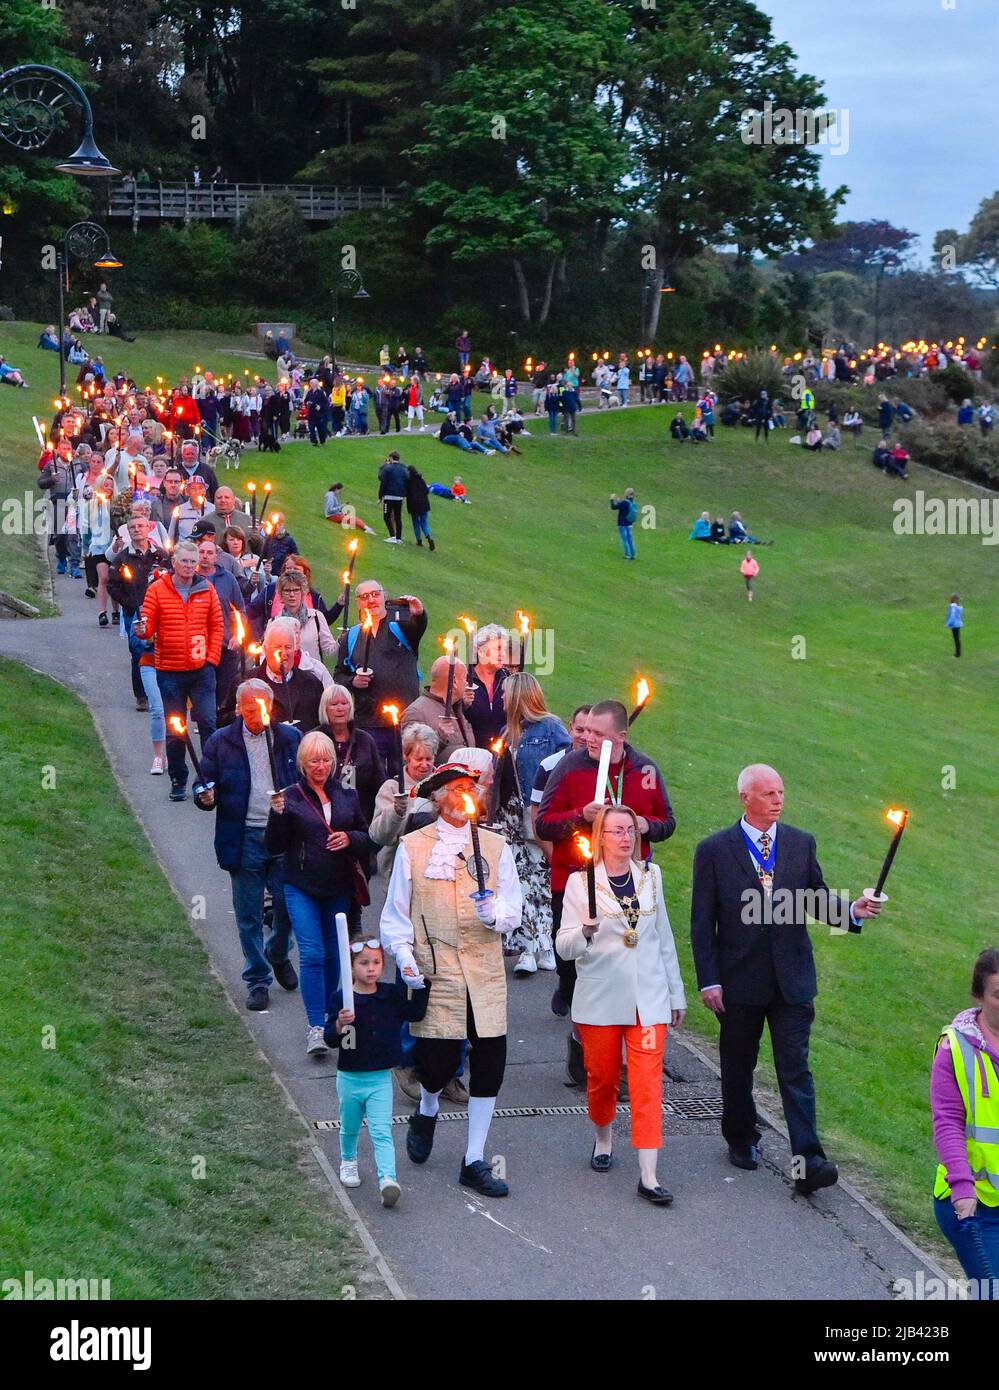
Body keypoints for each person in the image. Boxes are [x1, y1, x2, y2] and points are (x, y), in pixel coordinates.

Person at [690, 764, 882, 1192]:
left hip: (791, 981)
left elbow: (815, 898)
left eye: (780, 792)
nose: (778, 800)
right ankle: (741, 1136)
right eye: (769, 793)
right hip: (738, 982)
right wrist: (709, 980)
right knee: (738, 1065)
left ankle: (808, 1160)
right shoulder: (715, 850)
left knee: (795, 1069)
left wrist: (852, 911)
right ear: (746, 798)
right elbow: (702, 923)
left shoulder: (799, 843)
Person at [380, 763, 523, 1197]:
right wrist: (403, 957)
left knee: (490, 1064)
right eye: (457, 789)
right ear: (439, 799)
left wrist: (493, 915)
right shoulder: (413, 846)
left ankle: (474, 1159)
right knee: (438, 1065)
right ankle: (426, 1109)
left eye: (470, 789)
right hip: (436, 970)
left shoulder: (497, 846)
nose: (465, 796)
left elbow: (513, 910)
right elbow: (395, 915)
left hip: (484, 973)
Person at [537, 700, 676, 1077]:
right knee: (574, 966)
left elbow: (668, 821)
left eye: (599, 734)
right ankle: (580, 1032)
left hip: (631, 885)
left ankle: (617, 1060)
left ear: (622, 737)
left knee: (622, 967)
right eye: (587, 732)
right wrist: (578, 817)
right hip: (576, 882)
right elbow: (543, 825)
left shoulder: (644, 770)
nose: (588, 740)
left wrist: (646, 826)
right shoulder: (571, 765)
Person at [557, 804, 686, 1203]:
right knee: (603, 1079)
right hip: (600, 999)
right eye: (616, 831)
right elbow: (563, 948)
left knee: (647, 1086)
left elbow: (662, 936)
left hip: (648, 1000)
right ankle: (602, 1135)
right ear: (600, 837)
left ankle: (648, 1175)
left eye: (630, 830)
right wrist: (585, 932)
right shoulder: (581, 884)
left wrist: (675, 992)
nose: (626, 838)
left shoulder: (652, 876)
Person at [195, 681, 301, 1010]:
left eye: (262, 709)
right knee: (249, 914)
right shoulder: (221, 742)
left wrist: (293, 802)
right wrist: (205, 795)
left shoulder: (289, 738)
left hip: (282, 834)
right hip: (243, 836)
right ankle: (257, 978)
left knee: (287, 906)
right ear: (240, 708)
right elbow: (203, 782)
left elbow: (303, 782)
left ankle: (278, 952)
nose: (257, 717)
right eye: (250, 710)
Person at [266, 731, 373, 1056]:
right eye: (314, 760)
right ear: (302, 762)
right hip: (301, 886)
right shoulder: (290, 797)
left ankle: (330, 1020)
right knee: (312, 953)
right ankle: (315, 1026)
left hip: (338, 886)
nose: (321, 766)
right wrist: (277, 815)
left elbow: (367, 836)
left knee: (333, 954)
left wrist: (349, 839)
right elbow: (273, 846)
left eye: (326, 759)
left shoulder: (347, 795)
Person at [325, 940, 431, 1206]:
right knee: (349, 1127)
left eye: (376, 962)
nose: (371, 969)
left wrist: (419, 985)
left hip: (380, 1078)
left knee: (381, 1130)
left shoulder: (390, 994)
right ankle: (348, 1160)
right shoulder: (342, 998)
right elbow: (330, 1039)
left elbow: (415, 1014)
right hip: (349, 1077)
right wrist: (339, 1023)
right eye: (363, 963)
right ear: (350, 967)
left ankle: (388, 1179)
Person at [931, 947, 999, 1297]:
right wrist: (962, 1187)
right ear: (979, 996)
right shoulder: (954, 1048)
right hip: (974, 1206)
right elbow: (947, 1124)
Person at [493, 673, 570, 976]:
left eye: (505, 694)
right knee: (520, 885)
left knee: (542, 884)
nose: (500, 699)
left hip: (538, 816)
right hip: (510, 819)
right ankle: (526, 948)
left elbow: (567, 764)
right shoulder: (505, 733)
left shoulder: (551, 728)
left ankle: (545, 945)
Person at [136, 541, 223, 802]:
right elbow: (146, 628)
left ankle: (208, 777)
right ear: (173, 562)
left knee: (208, 722)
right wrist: (142, 630)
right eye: (183, 561)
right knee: (176, 729)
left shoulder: (206, 589)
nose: (188, 566)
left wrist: (211, 659)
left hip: (201, 670)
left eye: (192, 562)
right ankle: (178, 778)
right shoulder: (157, 590)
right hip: (169, 670)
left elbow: (217, 625)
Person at [334, 580, 427, 770]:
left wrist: (419, 614)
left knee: (403, 775)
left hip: (404, 721)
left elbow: (417, 626)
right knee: (369, 775)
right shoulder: (351, 637)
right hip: (369, 722)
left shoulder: (400, 626)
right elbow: (338, 676)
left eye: (375, 594)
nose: (371, 600)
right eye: (364, 597)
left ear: (385, 596)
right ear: (358, 602)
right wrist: (353, 681)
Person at [318, 683, 385, 823]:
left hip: (362, 817)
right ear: (324, 708)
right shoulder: (315, 739)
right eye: (334, 704)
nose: (340, 708)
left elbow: (379, 780)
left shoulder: (365, 740)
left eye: (344, 703)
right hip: (325, 818)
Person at [251, 617, 326, 732]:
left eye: (288, 647)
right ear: (265, 649)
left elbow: (322, 723)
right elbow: (225, 720)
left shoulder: (311, 683)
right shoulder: (249, 683)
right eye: (277, 647)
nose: (283, 653)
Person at [402, 654, 475, 764]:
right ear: (454, 681)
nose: (467, 683)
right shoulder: (416, 713)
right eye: (465, 678)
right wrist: (439, 737)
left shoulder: (456, 707)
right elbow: (411, 758)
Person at [466, 623, 510, 748]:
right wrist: (462, 705)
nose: (503, 654)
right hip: (472, 754)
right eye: (498, 649)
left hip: (502, 755)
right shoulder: (464, 679)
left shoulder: (508, 681)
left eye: (505, 649)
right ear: (480, 651)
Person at [378, 451, 408, 543]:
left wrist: (380, 496)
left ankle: (392, 536)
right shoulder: (404, 468)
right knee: (398, 517)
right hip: (399, 496)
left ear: (390, 458)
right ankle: (398, 538)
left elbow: (381, 479)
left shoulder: (387, 468)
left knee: (386, 516)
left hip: (389, 496)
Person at [404, 464, 435, 550]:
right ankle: (429, 537)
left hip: (414, 506)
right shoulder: (422, 480)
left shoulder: (409, 482)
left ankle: (419, 540)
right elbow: (426, 491)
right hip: (424, 505)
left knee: (416, 523)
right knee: (424, 522)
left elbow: (406, 493)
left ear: (409, 472)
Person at [610, 489, 638, 560]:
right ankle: (633, 555)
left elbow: (613, 507)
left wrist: (612, 499)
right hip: (630, 524)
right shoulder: (633, 502)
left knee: (625, 540)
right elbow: (623, 506)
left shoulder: (624, 503)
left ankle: (627, 555)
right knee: (630, 540)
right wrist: (619, 501)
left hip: (622, 524)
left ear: (627, 494)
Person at [946, 594, 963, 658]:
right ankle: (958, 653)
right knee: (957, 639)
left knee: (956, 640)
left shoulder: (953, 606)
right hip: (958, 624)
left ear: (953, 599)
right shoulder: (959, 607)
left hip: (954, 624)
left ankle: (957, 654)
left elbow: (952, 616)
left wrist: (949, 624)